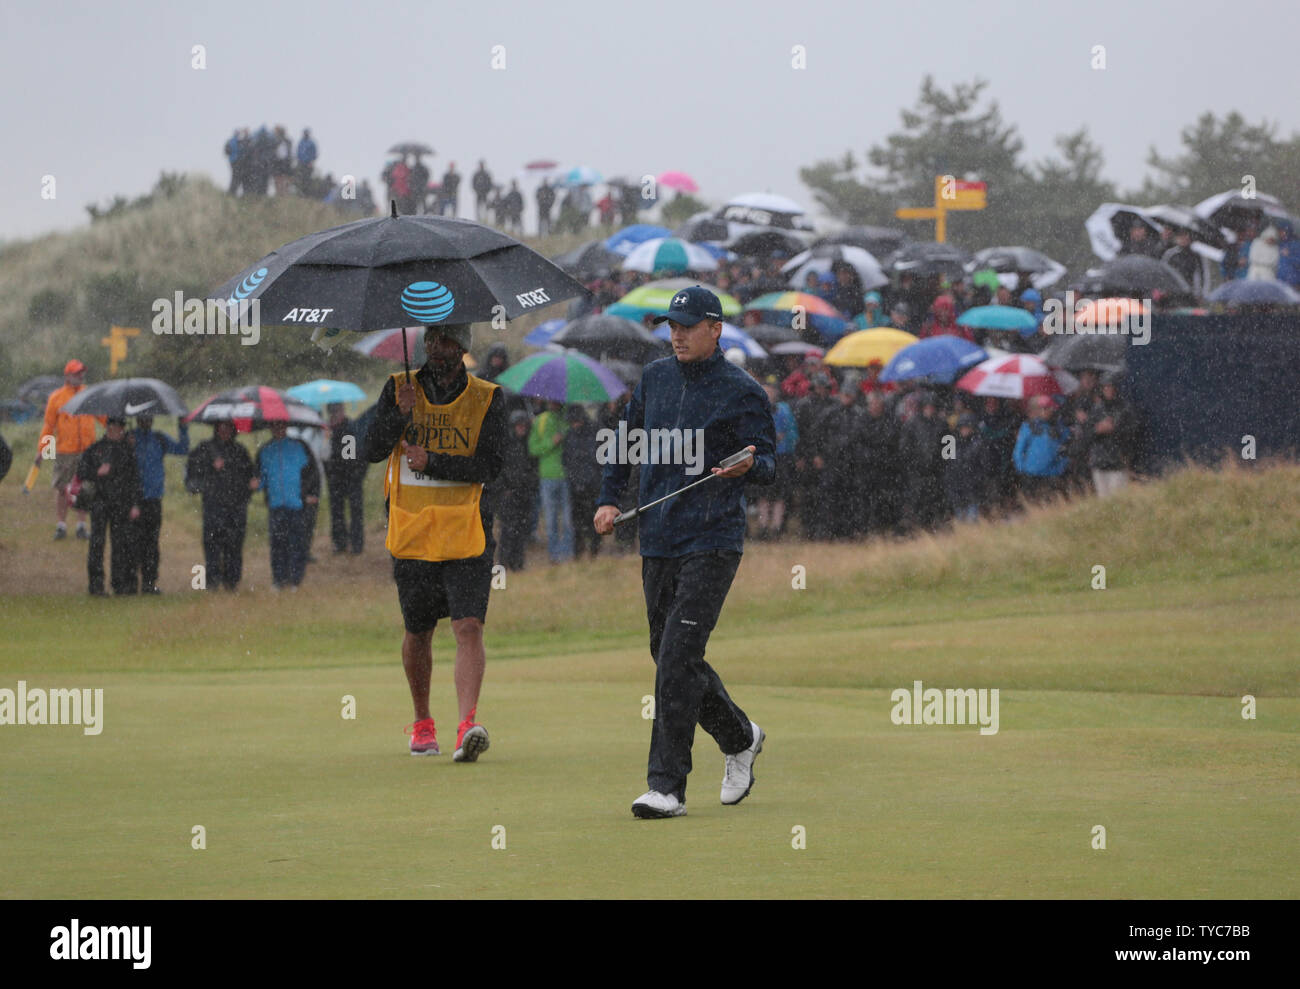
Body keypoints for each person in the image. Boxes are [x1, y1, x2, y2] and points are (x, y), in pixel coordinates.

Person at [593, 285, 776, 820]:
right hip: (658, 536)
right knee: (670, 653)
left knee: (676, 656)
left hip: (713, 540)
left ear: (715, 329)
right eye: (671, 326)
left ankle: (666, 787)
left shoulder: (741, 391)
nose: (676, 334)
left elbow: (768, 463)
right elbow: (624, 444)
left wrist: (748, 466)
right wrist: (608, 499)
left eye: (687, 326)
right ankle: (740, 736)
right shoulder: (654, 378)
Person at [364, 323, 506, 762]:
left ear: (462, 346)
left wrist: (435, 462)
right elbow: (368, 448)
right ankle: (422, 722)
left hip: (467, 531)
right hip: (412, 532)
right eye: (429, 340)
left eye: (444, 341)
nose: (434, 348)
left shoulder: (488, 396)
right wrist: (397, 416)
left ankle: (467, 725)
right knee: (418, 631)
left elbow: (492, 465)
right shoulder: (397, 389)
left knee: (468, 626)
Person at [185, 420, 258, 591]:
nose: (224, 431)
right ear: (216, 429)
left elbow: (250, 476)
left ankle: (232, 581)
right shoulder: (205, 449)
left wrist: (250, 489)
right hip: (213, 505)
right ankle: (212, 580)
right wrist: (210, 470)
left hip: (236, 506)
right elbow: (192, 475)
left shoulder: (240, 451)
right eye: (221, 427)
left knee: (234, 543)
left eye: (228, 428)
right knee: (212, 543)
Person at [38, 359, 104, 541]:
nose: (80, 375)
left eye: (81, 372)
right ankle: (61, 525)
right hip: (65, 451)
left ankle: (81, 526)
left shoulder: (89, 394)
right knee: (62, 488)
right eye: (76, 373)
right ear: (67, 375)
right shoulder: (56, 398)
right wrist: (43, 450)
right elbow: (49, 426)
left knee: (84, 489)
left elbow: (103, 417)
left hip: (88, 451)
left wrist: (117, 431)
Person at [76, 417, 142, 596]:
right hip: (100, 502)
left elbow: (135, 480)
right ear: (109, 428)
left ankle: (119, 583)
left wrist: (135, 504)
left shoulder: (128, 451)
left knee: (119, 545)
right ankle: (96, 585)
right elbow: (81, 471)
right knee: (97, 544)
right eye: (115, 428)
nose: (119, 431)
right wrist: (97, 472)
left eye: (121, 428)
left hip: (121, 504)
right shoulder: (95, 449)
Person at [128, 414, 189, 594]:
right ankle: (131, 583)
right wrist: (127, 444)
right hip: (133, 499)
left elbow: (182, 448)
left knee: (152, 544)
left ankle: (149, 583)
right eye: (142, 418)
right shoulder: (130, 438)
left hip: (154, 499)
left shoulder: (159, 439)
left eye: (148, 418)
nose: (145, 420)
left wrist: (183, 428)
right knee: (133, 543)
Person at [257, 421, 319, 590]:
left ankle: (295, 579)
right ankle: (278, 579)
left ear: (285, 427)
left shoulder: (300, 447)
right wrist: (256, 484)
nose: (278, 429)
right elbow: (260, 477)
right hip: (276, 505)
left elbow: (312, 473)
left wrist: (310, 494)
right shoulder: (265, 450)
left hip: (297, 504)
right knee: (277, 543)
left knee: (297, 542)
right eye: (274, 426)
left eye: (280, 426)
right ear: (270, 428)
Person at [528, 400, 572, 563]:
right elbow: (533, 448)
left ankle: (567, 553)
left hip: (566, 476)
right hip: (547, 477)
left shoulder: (565, 419)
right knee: (551, 518)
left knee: (567, 519)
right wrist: (551, 442)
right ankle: (554, 554)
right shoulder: (541, 421)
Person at [495, 410, 537, 571]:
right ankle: (504, 562)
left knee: (522, 530)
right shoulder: (506, 445)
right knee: (508, 530)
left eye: (524, 425)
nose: (522, 429)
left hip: (524, 493)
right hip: (508, 494)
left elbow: (532, 468)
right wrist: (504, 488)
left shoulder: (529, 444)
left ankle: (518, 563)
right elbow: (499, 469)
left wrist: (530, 485)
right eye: (519, 426)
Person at [324, 403, 367, 554]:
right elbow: (324, 456)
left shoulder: (349, 428)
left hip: (351, 478)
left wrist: (356, 476)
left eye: (336, 413)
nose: (334, 416)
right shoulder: (327, 430)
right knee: (337, 512)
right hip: (335, 479)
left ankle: (356, 544)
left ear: (341, 412)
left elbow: (350, 457)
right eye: (332, 413)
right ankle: (340, 542)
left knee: (355, 512)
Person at [562, 405, 602, 559]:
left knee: (592, 518)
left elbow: (596, 459)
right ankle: (579, 550)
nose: (575, 424)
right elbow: (566, 459)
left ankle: (593, 548)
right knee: (577, 521)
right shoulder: (570, 435)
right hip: (576, 486)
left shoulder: (593, 433)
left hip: (591, 484)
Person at [1013, 396, 1070, 502]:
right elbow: (1019, 450)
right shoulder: (1028, 426)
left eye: (1048, 408)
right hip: (1031, 475)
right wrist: (1022, 469)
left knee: (1052, 505)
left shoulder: (1059, 427)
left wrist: (1061, 467)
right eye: (1043, 408)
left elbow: (1066, 448)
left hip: (1051, 474)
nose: (1046, 411)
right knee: (1034, 504)